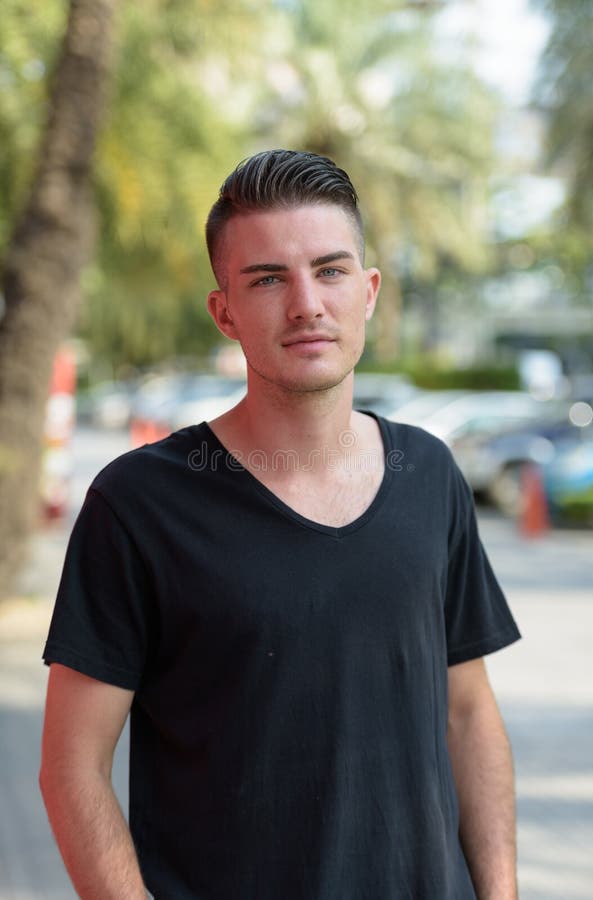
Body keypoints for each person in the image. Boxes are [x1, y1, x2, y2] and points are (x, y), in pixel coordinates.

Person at [40, 149, 521, 900]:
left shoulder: (428, 474)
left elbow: (467, 713)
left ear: (367, 292)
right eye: (268, 279)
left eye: (329, 271)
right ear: (224, 310)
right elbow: (72, 767)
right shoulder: (139, 503)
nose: (305, 304)